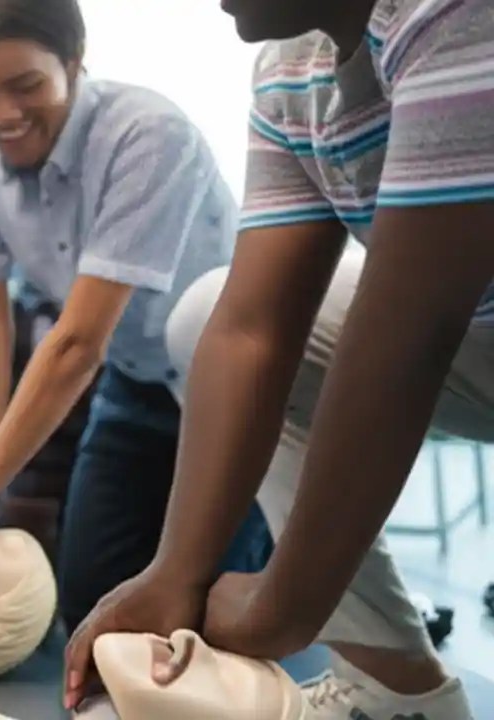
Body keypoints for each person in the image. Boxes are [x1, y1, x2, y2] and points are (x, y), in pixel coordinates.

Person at [63, 0, 494, 718]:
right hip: (475, 333)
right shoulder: (291, 71)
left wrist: (281, 606)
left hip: (446, 323)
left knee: (391, 320)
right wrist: (178, 569)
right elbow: (251, 328)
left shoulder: (454, 14)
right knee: (204, 310)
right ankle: (395, 691)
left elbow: (408, 331)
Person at [0, 0, 272, 638]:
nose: (2, 115)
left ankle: (286, 531)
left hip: (233, 385)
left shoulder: (149, 134)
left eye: (26, 85)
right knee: (90, 602)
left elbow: (77, 342)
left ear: (74, 60)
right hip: (134, 380)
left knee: (210, 614)